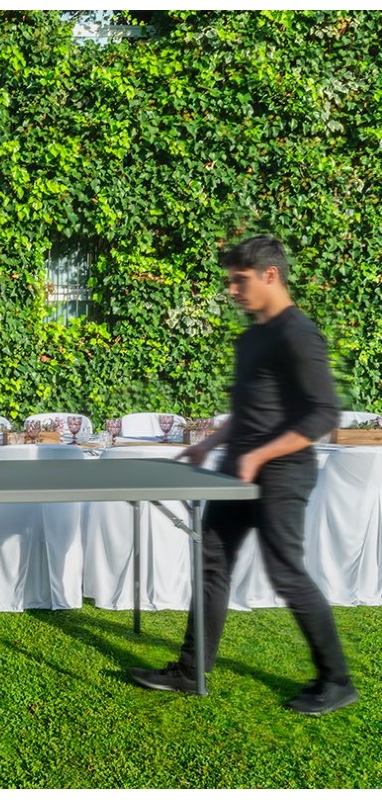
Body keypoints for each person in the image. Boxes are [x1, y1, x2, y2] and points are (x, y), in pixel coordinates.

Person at [131, 234, 358, 716]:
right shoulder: (254, 335)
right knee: (209, 563)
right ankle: (191, 669)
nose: (232, 290)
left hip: (282, 475)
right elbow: (253, 409)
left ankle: (336, 680)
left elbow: (322, 415)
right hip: (236, 471)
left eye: (239, 281)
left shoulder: (298, 334)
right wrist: (209, 443)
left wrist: (261, 457)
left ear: (270, 275)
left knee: (286, 574)